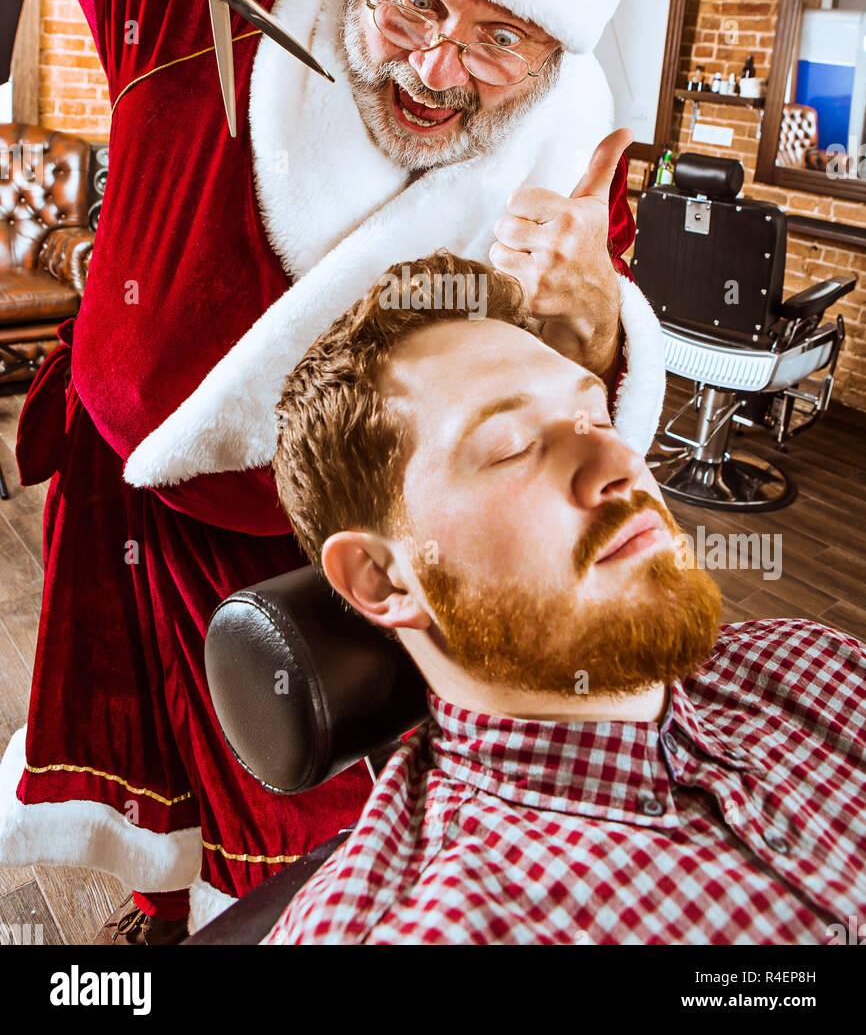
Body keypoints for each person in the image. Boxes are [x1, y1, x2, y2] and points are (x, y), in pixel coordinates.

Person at [0, 0, 664, 938]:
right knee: (137, 754)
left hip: (318, 555)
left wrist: (587, 315)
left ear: (553, 46)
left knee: (292, 822)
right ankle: (149, 909)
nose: (436, 67)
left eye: (499, 38)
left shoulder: (568, 148)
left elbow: (584, 370)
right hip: (122, 487)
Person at [264, 252, 866, 945]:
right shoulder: (415, 929)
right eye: (513, 447)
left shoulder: (823, 666)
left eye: (597, 419)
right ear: (381, 577)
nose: (621, 464)